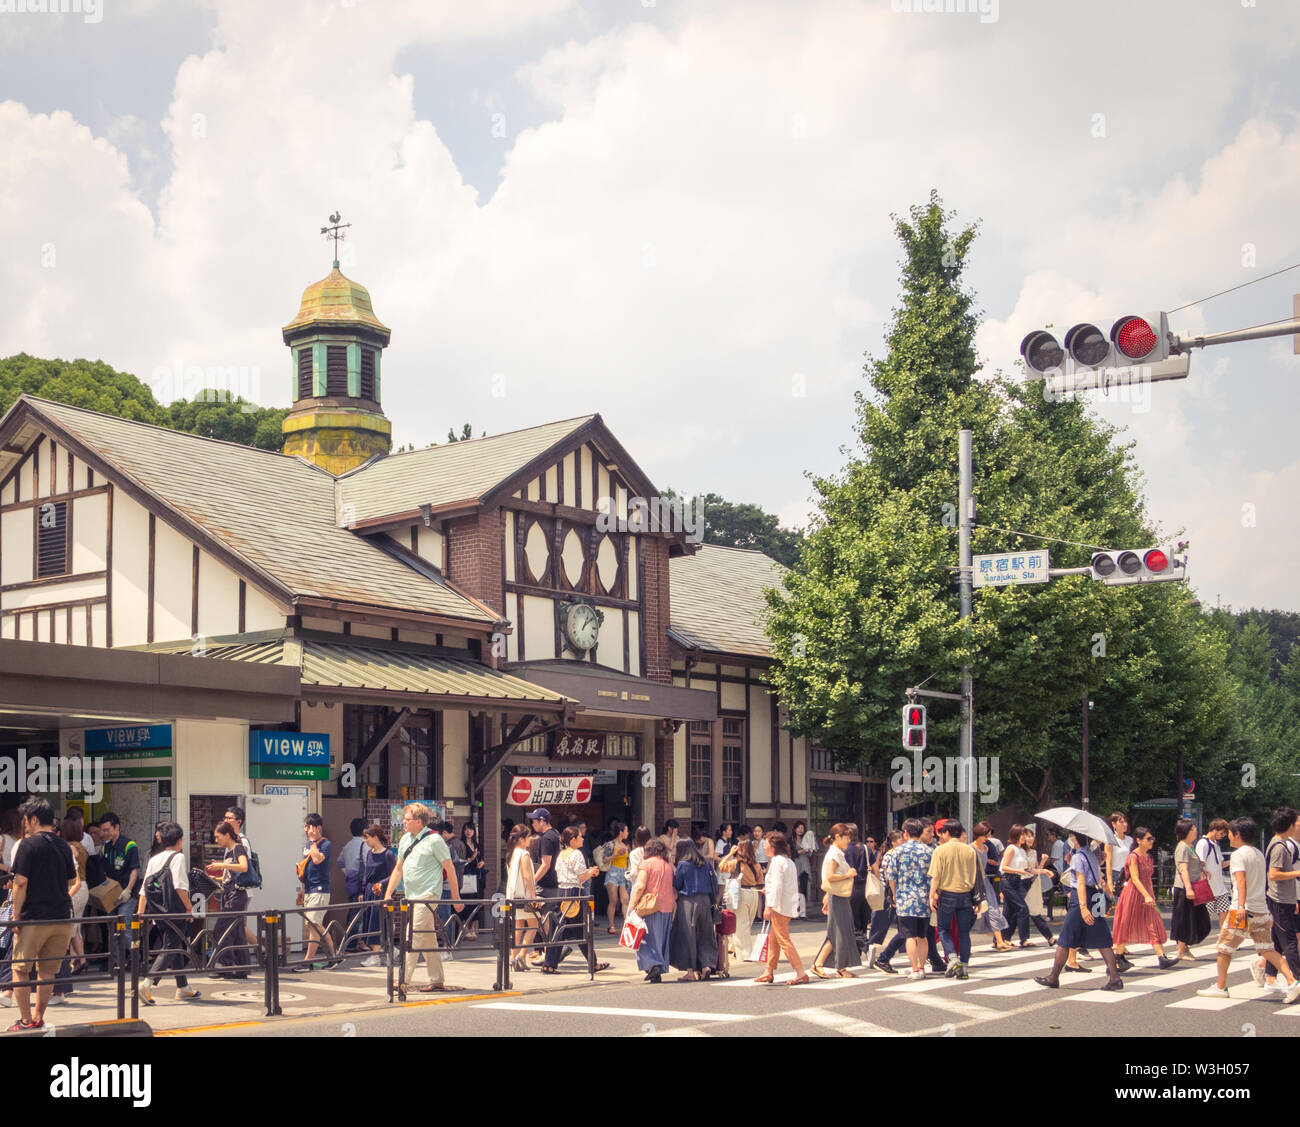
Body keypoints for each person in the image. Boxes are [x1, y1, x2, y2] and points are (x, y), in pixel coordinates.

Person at [1197, 817, 1300, 1002]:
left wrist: (1241, 906)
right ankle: (1293, 982)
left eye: (1230, 833)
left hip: (1241, 910)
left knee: (1224, 948)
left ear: (1237, 834)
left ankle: (1220, 987)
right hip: (1262, 910)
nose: (1228, 836)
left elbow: (1241, 881)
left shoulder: (1238, 855)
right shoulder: (1258, 853)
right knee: (1268, 949)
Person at [6, 799, 76, 1031]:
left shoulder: (28, 845)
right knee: (47, 972)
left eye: (25, 820)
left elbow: (20, 883)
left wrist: (15, 916)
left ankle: (26, 1021)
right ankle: (38, 1017)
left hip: (34, 918)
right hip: (62, 918)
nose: (23, 824)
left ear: (33, 819)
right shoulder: (64, 846)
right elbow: (72, 880)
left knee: (20, 969)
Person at [385, 803, 463, 996]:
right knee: (427, 937)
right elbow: (398, 868)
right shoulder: (404, 840)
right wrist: (388, 894)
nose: (403, 821)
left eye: (407, 819)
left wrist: (456, 897)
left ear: (418, 822)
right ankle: (437, 980)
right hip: (412, 895)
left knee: (412, 933)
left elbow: (450, 868)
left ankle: (403, 978)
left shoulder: (435, 840)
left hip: (428, 894)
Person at [1034, 831, 1123, 992]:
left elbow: (1080, 882)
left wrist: (1082, 907)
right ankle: (1115, 977)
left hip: (1080, 898)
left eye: (1072, 836)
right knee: (1102, 937)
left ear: (1075, 838)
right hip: (1094, 895)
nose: (1070, 839)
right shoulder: (1090, 853)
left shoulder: (1078, 857)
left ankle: (1054, 977)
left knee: (1065, 938)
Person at [135, 821, 199, 1007]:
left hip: (157, 911)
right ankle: (147, 983)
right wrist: (189, 908)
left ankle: (183, 987)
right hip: (175, 911)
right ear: (179, 841)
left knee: (174, 943)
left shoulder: (155, 859)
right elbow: (180, 886)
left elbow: (144, 888)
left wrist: (140, 912)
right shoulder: (177, 858)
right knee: (171, 946)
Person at [541, 826, 610, 975]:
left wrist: (588, 872)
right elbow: (581, 877)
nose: (583, 839)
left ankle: (551, 964)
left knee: (572, 929)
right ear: (572, 840)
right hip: (574, 893)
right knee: (574, 929)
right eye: (580, 837)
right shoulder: (577, 854)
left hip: (562, 892)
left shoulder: (561, 854)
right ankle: (550, 964)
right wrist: (591, 872)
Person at [1111, 826, 1176, 969]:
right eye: (1148, 839)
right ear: (1138, 840)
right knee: (1126, 925)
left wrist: (1151, 895)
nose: (1151, 841)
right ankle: (1118, 957)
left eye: (1152, 838)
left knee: (1152, 923)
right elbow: (1134, 878)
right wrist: (1147, 895)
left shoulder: (1149, 857)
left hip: (1146, 895)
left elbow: (1148, 879)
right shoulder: (1133, 856)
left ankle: (1162, 957)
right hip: (1132, 895)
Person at [927, 818, 979, 979]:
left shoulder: (940, 850)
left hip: (947, 894)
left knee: (943, 929)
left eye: (943, 832)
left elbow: (935, 876)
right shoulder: (970, 850)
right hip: (966, 895)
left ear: (947, 832)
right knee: (964, 933)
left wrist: (932, 895)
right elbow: (975, 876)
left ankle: (952, 957)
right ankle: (964, 967)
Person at [754, 831, 807, 985]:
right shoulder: (787, 861)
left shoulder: (777, 862)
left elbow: (777, 886)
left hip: (779, 906)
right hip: (786, 904)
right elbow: (783, 885)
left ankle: (800, 972)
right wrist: (768, 890)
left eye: (766, 844)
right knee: (774, 939)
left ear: (773, 846)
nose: (764, 847)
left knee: (783, 939)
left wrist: (768, 906)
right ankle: (768, 971)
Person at [206, 820, 252, 976]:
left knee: (221, 929)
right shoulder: (230, 851)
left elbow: (244, 867)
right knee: (238, 933)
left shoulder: (238, 848)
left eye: (218, 837)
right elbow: (231, 877)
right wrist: (215, 878)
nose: (216, 840)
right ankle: (242, 968)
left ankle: (225, 965)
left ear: (227, 835)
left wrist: (221, 866)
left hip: (236, 896)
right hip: (232, 894)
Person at [1260, 807, 1300, 987]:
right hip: (1278, 900)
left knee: (1276, 941)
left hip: (1284, 900)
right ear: (1291, 825)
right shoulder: (1279, 847)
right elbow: (1273, 874)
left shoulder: (1281, 844)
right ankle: (1297, 980)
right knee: (1290, 942)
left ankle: (1270, 977)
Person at [811, 823, 856, 978]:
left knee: (839, 931)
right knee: (839, 931)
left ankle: (837, 967)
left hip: (836, 896)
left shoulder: (835, 853)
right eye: (847, 838)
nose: (849, 841)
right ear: (838, 837)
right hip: (837, 897)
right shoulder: (835, 854)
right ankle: (822, 965)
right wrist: (848, 874)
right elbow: (830, 876)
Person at [670, 838, 718, 981]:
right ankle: (706, 966)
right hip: (705, 900)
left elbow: (677, 885)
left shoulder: (683, 865)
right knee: (706, 934)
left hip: (688, 901)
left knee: (687, 936)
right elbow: (714, 884)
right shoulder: (706, 863)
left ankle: (690, 972)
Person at [629, 838, 676, 983]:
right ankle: (657, 969)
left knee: (643, 939)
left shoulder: (646, 864)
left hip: (649, 907)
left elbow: (640, 886)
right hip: (667, 906)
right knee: (660, 940)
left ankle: (652, 965)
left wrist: (632, 905)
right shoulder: (668, 865)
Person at [297, 813, 336, 969]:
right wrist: (303, 889)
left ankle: (308, 961)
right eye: (305, 826)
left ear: (318, 828)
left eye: (308, 826)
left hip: (320, 890)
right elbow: (307, 867)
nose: (306, 829)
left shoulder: (325, 844)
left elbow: (317, 860)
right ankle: (333, 956)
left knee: (314, 924)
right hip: (309, 889)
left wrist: (313, 843)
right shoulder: (307, 845)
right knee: (314, 925)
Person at [1171, 818, 1212, 961]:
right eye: (1193, 828)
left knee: (1196, 919)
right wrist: (1188, 889)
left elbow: (1191, 865)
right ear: (1186, 831)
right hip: (1185, 889)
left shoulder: (1189, 846)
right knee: (1185, 919)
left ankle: (1184, 947)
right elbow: (1183, 869)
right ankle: (1182, 949)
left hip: (1194, 887)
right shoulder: (1182, 846)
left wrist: (1202, 867)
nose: (1195, 830)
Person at [970, 822, 1014, 953]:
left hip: (984, 882)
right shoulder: (970, 848)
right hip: (974, 882)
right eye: (985, 835)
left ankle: (999, 941)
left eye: (987, 835)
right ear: (978, 834)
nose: (987, 838)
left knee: (993, 909)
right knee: (972, 913)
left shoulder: (986, 847)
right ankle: (963, 942)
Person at [357, 824, 396, 965]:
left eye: (367, 838)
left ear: (375, 837)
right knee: (368, 921)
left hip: (381, 892)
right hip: (369, 891)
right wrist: (362, 890)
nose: (365, 841)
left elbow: (394, 875)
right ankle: (388, 950)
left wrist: (382, 884)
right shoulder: (369, 853)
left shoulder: (388, 854)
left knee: (376, 922)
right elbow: (366, 875)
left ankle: (375, 956)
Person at [718, 837, 763, 959]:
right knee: (746, 924)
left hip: (740, 893)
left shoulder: (735, 863)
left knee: (740, 925)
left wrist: (730, 853)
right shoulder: (756, 865)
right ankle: (735, 947)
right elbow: (760, 881)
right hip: (753, 893)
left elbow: (721, 866)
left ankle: (745, 954)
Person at [864, 829, 902, 972]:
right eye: (901, 840)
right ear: (893, 842)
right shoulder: (890, 855)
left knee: (899, 926)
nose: (903, 842)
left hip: (894, 893)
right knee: (881, 924)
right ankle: (871, 950)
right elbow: (887, 876)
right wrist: (894, 894)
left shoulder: (897, 854)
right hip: (888, 894)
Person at [504, 824, 539, 972]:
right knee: (534, 925)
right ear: (522, 839)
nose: (530, 839)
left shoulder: (511, 853)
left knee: (518, 927)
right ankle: (522, 955)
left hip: (512, 896)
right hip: (524, 896)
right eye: (528, 836)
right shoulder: (524, 854)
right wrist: (533, 895)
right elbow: (526, 876)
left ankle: (513, 958)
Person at [97, 812, 140, 917]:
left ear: (116, 827)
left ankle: (126, 934)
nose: (105, 833)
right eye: (103, 831)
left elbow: (135, 869)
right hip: (111, 894)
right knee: (112, 924)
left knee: (124, 922)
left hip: (127, 894)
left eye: (107, 830)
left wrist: (128, 890)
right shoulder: (105, 848)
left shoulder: (129, 845)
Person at [1020, 828, 1057, 947]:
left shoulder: (1033, 852)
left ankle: (1017, 939)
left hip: (1033, 883)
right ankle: (1048, 937)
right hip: (1022, 882)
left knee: (1032, 911)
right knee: (1024, 912)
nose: (1030, 838)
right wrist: (1044, 870)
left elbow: (1036, 869)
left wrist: (1043, 862)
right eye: (1027, 836)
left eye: (1032, 836)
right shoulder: (1019, 852)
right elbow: (1027, 869)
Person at [60, 818, 89, 975]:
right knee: (75, 927)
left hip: (74, 887)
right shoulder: (81, 847)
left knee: (70, 926)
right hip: (83, 887)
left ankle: (73, 962)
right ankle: (81, 960)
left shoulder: (71, 848)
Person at [998, 825, 1032, 948]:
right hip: (1008, 881)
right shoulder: (1011, 848)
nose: (1025, 837)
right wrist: (1019, 870)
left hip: (1017, 881)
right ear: (1016, 835)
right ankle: (1024, 939)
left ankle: (1002, 938)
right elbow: (1004, 867)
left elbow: (1026, 868)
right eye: (1022, 834)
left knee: (1009, 911)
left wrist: (1043, 871)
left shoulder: (1022, 850)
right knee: (1022, 908)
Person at [452, 823, 486, 940]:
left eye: (471, 829)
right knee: (465, 902)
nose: (468, 832)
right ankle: (463, 929)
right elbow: (459, 861)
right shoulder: (461, 844)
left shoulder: (476, 844)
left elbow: (480, 859)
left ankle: (471, 929)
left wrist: (482, 863)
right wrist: (470, 859)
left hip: (475, 876)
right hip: (464, 876)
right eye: (466, 829)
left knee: (474, 902)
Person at [1195, 818, 1232, 924]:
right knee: (1204, 917)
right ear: (1214, 829)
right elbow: (1199, 863)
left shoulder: (1216, 844)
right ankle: (1196, 936)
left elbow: (1220, 865)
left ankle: (1223, 937)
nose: (1222, 836)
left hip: (1220, 888)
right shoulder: (1203, 843)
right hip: (1208, 888)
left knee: (1225, 911)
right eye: (1221, 833)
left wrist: (1233, 859)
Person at [338, 817, 367, 953]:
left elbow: (340, 862)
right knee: (358, 915)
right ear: (364, 830)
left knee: (352, 913)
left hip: (350, 882)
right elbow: (368, 863)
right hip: (361, 883)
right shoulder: (365, 844)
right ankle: (350, 944)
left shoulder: (347, 845)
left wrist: (348, 873)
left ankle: (352, 941)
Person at [602, 821, 631, 933]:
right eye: (626, 831)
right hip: (613, 872)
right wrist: (616, 855)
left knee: (625, 900)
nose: (627, 833)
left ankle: (626, 924)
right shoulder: (610, 845)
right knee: (613, 900)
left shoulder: (626, 845)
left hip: (623, 873)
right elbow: (604, 859)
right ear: (621, 832)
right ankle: (611, 925)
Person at [1104, 812, 1134, 904]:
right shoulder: (1110, 840)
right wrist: (1109, 882)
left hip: (1129, 875)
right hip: (1116, 875)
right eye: (1121, 822)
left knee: (1130, 904)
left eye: (1125, 822)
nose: (1125, 824)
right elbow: (1108, 862)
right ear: (1113, 824)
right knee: (1121, 904)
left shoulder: (1130, 840)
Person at [793, 819, 815, 901]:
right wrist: (801, 851)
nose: (800, 830)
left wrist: (810, 851)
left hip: (805, 865)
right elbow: (791, 853)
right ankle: (794, 908)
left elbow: (811, 853)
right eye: (798, 828)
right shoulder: (791, 840)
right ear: (795, 829)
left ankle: (802, 909)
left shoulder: (807, 839)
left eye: (802, 828)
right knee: (794, 887)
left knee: (803, 887)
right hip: (794, 865)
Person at [625, 825, 651, 894]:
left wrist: (627, 876)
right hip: (651, 886)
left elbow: (634, 872)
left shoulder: (634, 853)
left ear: (637, 838)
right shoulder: (653, 851)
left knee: (633, 904)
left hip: (638, 886)